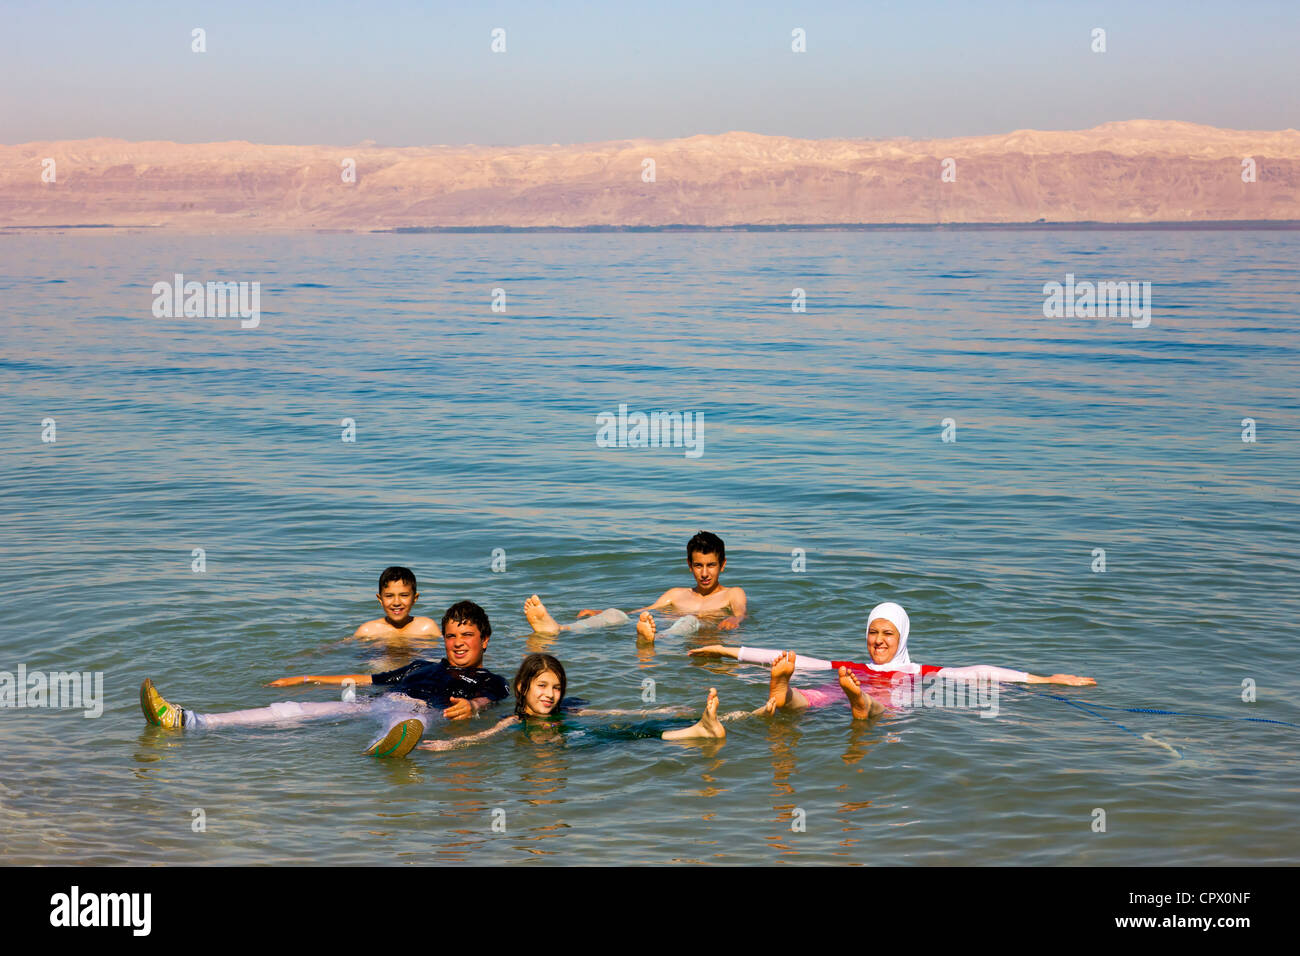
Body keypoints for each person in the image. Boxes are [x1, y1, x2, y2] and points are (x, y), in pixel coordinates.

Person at [139, 601, 508, 757]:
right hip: (376, 704)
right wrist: (304, 678)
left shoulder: (491, 680)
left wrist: (471, 707)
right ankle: (190, 720)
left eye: (468, 635)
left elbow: (490, 698)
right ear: (443, 638)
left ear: (485, 639)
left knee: (408, 721)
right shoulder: (421, 666)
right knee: (294, 710)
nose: (458, 643)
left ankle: (385, 747)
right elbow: (365, 679)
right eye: (452, 635)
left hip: (423, 714)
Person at [690, 601, 1095, 720]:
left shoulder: (917, 670)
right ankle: (785, 691)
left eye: (887, 634)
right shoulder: (855, 667)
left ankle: (860, 705)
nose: (878, 640)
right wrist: (727, 650)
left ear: (901, 637)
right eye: (873, 632)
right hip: (851, 687)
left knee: (884, 708)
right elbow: (794, 657)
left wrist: (1044, 680)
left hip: (885, 698)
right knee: (803, 695)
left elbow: (978, 672)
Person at [418, 653, 730, 751]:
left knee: (637, 727)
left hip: (586, 737)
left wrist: (660, 710)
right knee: (631, 735)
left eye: (556, 688)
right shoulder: (516, 720)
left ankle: (722, 720)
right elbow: (483, 736)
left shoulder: (564, 709)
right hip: (585, 745)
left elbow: (609, 711)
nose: (549, 694)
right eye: (541, 686)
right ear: (522, 688)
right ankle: (702, 729)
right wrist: (446, 745)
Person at [523, 530, 748, 640]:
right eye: (699, 565)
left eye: (711, 565)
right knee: (617, 614)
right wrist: (601, 612)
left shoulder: (732, 593)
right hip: (661, 627)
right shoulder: (676, 594)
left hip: (699, 631)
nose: (705, 573)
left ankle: (656, 639)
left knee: (688, 620)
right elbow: (643, 612)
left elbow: (741, 613)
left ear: (723, 565)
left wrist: (734, 619)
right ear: (689, 565)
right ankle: (560, 628)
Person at [353, 566, 440, 641]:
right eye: (389, 596)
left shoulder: (427, 628)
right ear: (380, 599)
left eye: (404, 595)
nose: (396, 602)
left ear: (415, 598)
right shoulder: (368, 631)